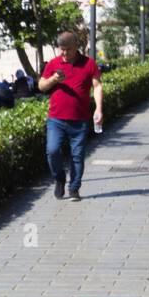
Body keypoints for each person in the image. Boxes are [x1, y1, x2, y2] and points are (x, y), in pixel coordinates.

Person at [38, 31, 103, 202]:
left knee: (77, 155)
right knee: (52, 151)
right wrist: (53, 79)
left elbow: (97, 86)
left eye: (68, 49)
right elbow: (42, 86)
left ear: (76, 47)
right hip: (56, 119)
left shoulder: (89, 64)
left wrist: (99, 109)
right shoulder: (54, 63)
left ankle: (74, 188)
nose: (64, 53)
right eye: (62, 49)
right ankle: (59, 178)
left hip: (80, 119)